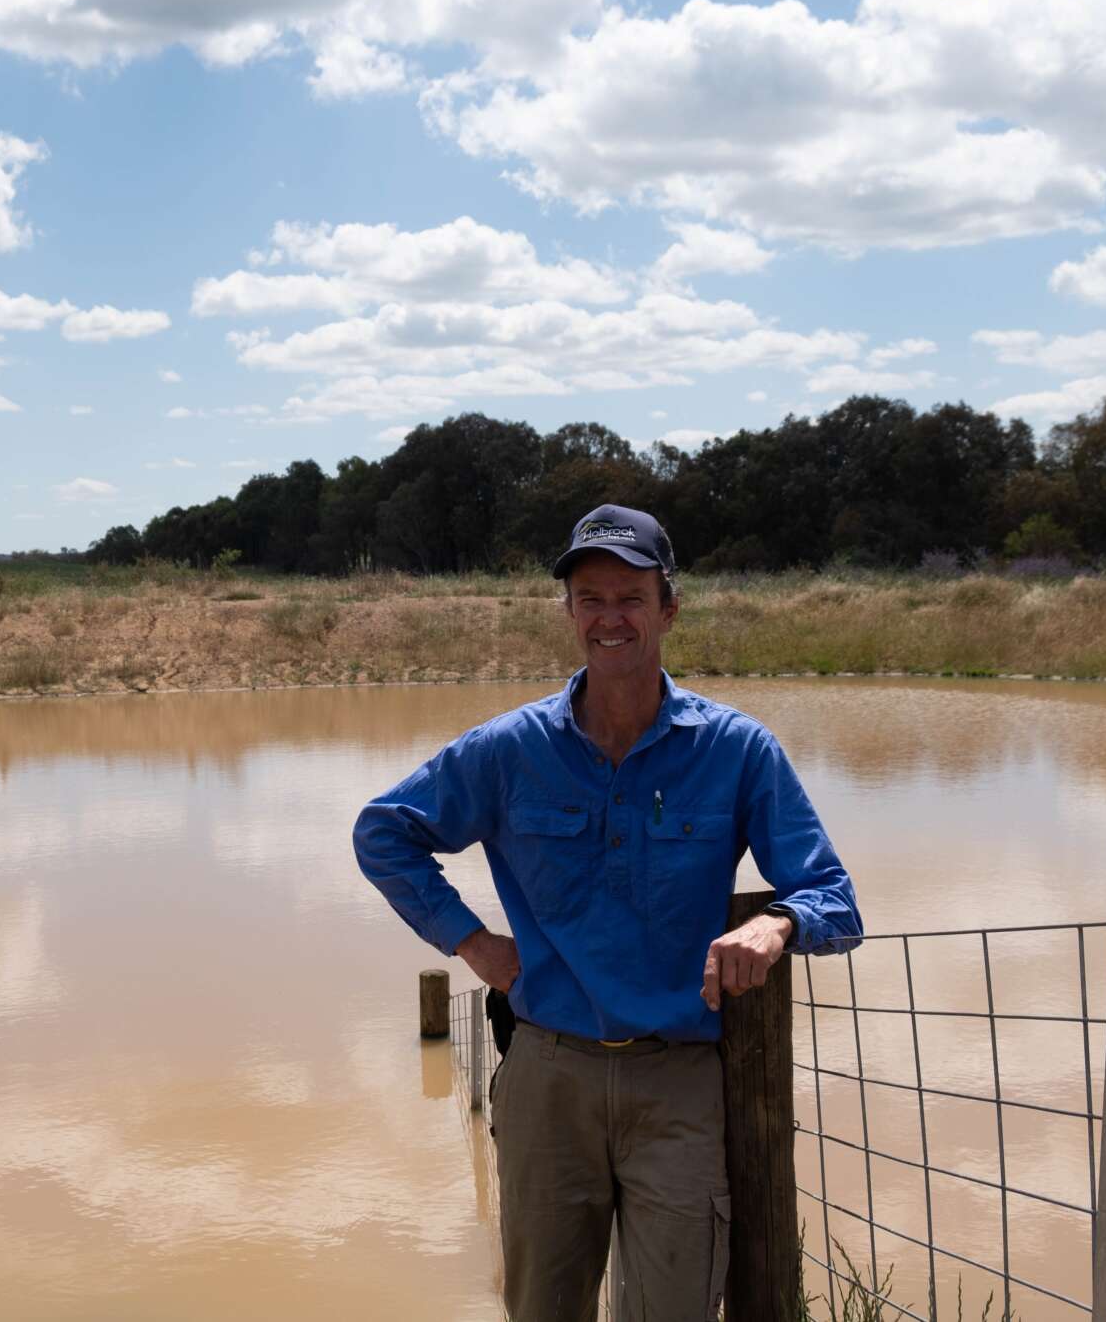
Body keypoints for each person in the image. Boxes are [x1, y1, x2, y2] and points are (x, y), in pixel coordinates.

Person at [353, 504, 862, 1322]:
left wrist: (777, 924)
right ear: (569, 613)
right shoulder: (510, 749)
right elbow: (383, 832)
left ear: (669, 607)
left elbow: (835, 897)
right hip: (550, 1075)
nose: (609, 617)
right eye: (590, 598)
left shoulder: (737, 750)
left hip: (680, 1084)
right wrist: (475, 943)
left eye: (631, 596)